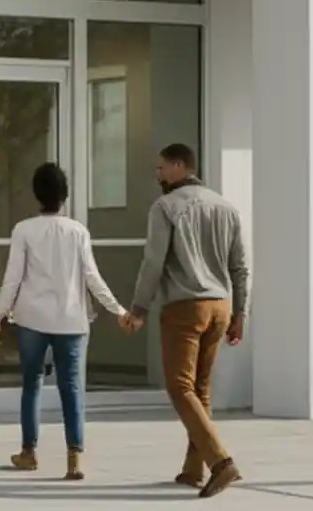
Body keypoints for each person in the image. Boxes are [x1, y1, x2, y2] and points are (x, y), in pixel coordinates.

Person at [0, 162, 126, 481]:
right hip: (72, 321)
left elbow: (12, 280)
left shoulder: (24, 230)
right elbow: (92, 277)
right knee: (72, 388)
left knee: (31, 385)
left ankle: (29, 452)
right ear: (64, 196)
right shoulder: (78, 231)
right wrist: (118, 310)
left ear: (37, 194)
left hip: (31, 318)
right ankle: (74, 457)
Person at [122, 143, 248, 498]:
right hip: (221, 306)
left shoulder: (165, 207)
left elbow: (153, 263)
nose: (157, 175)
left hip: (186, 307)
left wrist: (139, 309)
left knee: (180, 387)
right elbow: (240, 267)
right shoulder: (226, 207)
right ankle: (193, 469)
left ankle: (221, 462)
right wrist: (241, 313)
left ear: (179, 166)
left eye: (161, 168)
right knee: (201, 389)